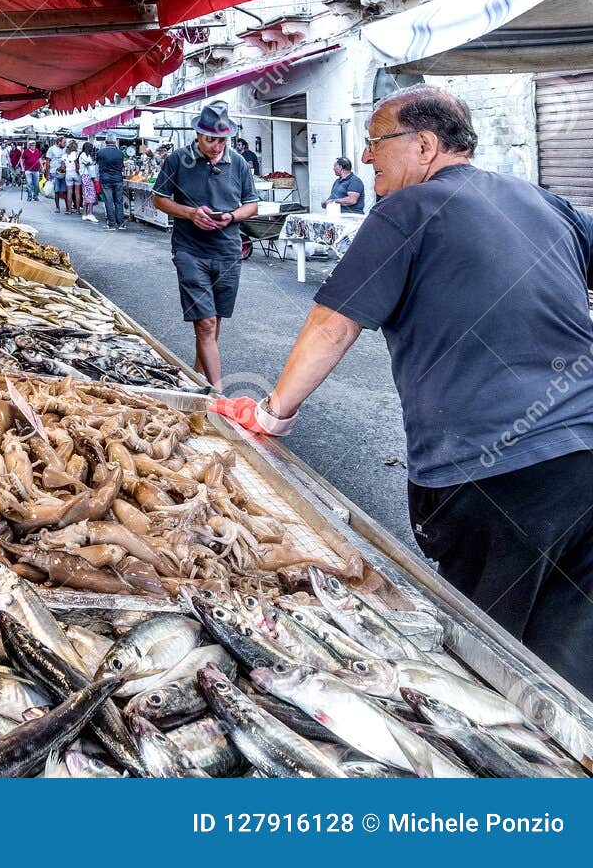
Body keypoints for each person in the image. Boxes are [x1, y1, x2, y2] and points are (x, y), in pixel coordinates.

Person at [211, 86, 593, 696]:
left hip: (492, 475)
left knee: (487, 659)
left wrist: (271, 413)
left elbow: (334, 326)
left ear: (424, 145)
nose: (366, 157)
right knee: (568, 652)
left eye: (375, 142)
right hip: (583, 456)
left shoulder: (407, 209)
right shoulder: (543, 201)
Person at [150, 101, 259, 387]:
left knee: (214, 320)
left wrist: (232, 216)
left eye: (222, 140)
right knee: (206, 322)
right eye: (211, 139)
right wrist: (190, 213)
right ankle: (217, 394)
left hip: (227, 251)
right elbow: (159, 199)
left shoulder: (237, 162)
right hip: (190, 250)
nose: (217, 146)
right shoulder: (178, 160)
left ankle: (197, 377)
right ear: (198, 134)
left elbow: (252, 205)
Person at [97, 134, 127, 229]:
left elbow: (97, 163)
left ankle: (111, 223)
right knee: (119, 201)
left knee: (108, 201)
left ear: (106, 141)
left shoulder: (100, 152)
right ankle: (121, 223)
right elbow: (122, 166)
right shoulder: (120, 153)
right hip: (117, 178)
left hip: (105, 179)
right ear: (115, 141)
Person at [78, 141, 100, 222]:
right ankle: (90, 214)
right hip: (87, 176)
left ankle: (85, 213)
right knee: (91, 194)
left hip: (86, 176)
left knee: (86, 195)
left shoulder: (83, 155)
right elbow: (88, 162)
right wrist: (93, 159)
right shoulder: (84, 155)